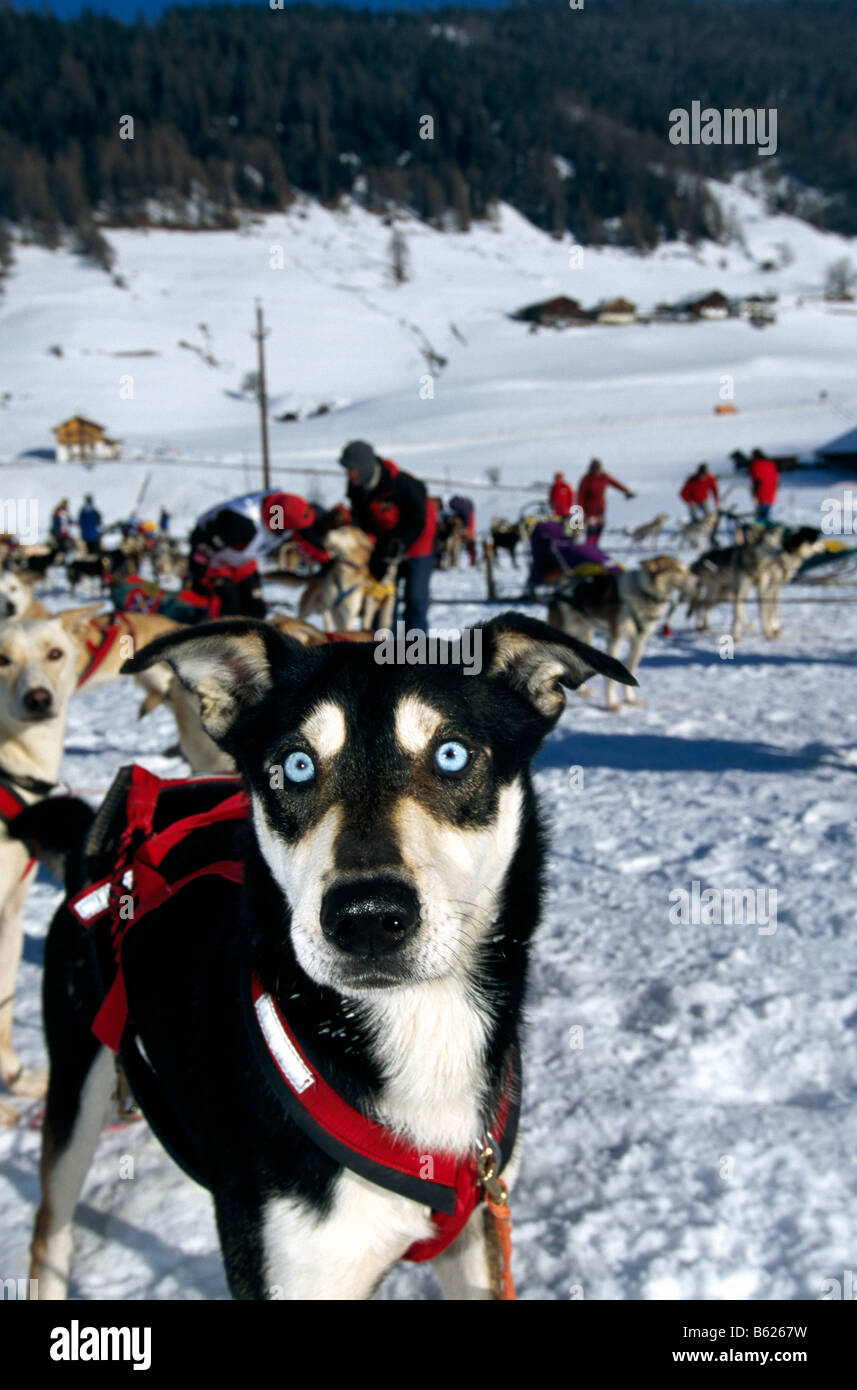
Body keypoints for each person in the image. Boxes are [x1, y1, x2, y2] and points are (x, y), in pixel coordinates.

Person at [339, 440, 436, 632]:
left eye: (353, 469)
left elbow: (417, 520)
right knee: (379, 596)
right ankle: (382, 650)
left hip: (419, 544)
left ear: (364, 467)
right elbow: (361, 520)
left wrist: (399, 544)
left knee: (415, 599)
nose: (349, 475)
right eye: (347, 470)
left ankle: (416, 653)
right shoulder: (356, 488)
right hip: (385, 545)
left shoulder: (402, 484)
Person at [189, 489, 331, 618]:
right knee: (228, 611)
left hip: (243, 563)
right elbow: (202, 547)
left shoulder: (284, 508)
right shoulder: (241, 522)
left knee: (255, 610)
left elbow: (305, 535)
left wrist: (326, 560)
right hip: (216, 565)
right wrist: (199, 582)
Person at [577, 460, 634, 543]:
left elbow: (616, 483)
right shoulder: (586, 479)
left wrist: (626, 491)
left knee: (599, 528)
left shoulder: (604, 477)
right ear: (591, 469)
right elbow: (580, 496)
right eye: (595, 468)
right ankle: (590, 547)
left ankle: (594, 547)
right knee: (591, 529)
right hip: (589, 510)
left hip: (600, 508)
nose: (597, 470)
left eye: (598, 468)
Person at [748, 448, 779, 522]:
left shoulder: (755, 465)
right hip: (771, 492)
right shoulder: (771, 464)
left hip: (761, 493)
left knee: (760, 516)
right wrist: (775, 492)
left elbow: (757, 480)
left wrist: (754, 494)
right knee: (766, 513)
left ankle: (760, 529)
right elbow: (776, 479)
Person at [447, 494, 477, 566]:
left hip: (469, 521)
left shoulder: (463, 507)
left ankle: (472, 560)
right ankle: (471, 559)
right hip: (466, 521)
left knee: (470, 539)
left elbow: (467, 517)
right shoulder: (459, 506)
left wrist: (465, 528)